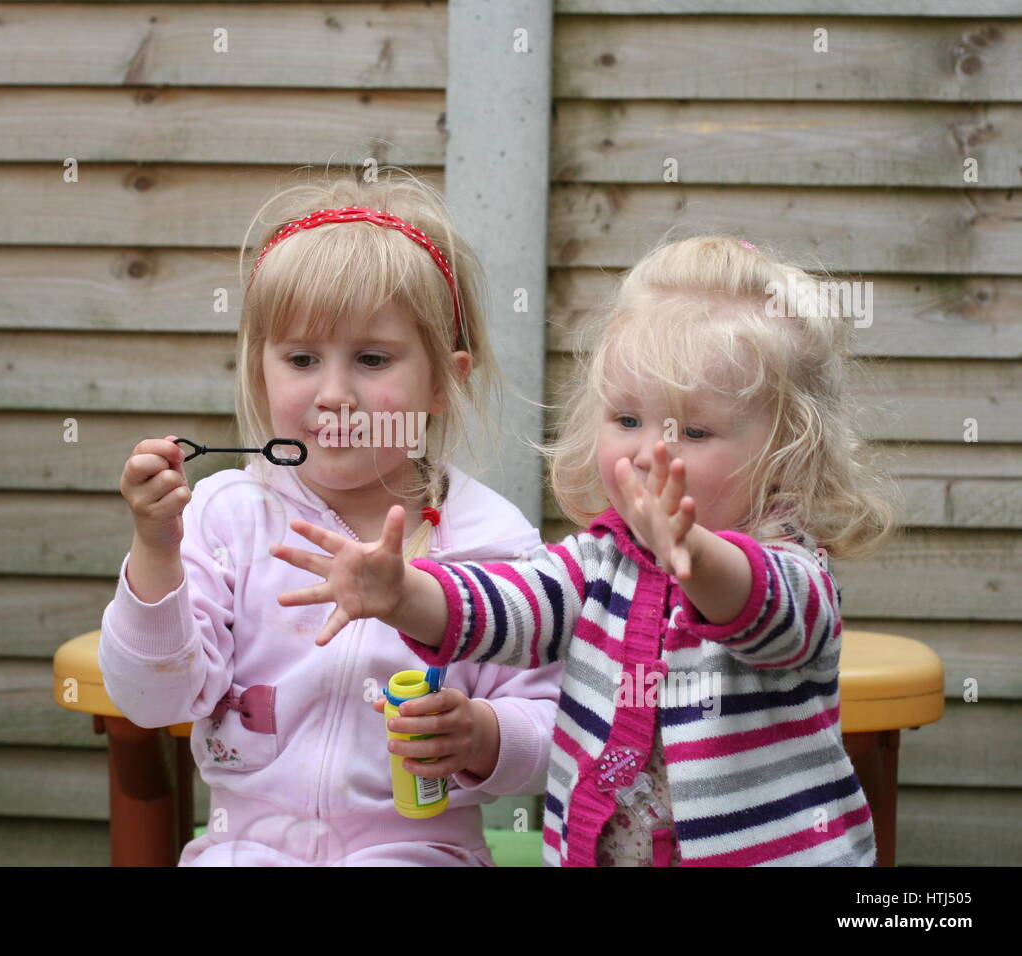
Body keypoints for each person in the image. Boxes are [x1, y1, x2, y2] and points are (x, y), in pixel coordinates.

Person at [270, 234, 904, 866]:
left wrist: (693, 553)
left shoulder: (796, 571)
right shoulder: (601, 563)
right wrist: (405, 594)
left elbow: (769, 614)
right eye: (627, 420)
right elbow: (509, 607)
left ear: (787, 450)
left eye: (694, 430)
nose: (648, 452)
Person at [98, 168, 564, 865]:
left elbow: (558, 731)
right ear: (261, 371)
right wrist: (156, 551)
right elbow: (152, 700)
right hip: (244, 848)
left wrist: (481, 734)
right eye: (302, 358)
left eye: (372, 359)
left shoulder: (493, 543)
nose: (334, 393)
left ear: (445, 380)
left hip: (420, 850)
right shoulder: (226, 517)